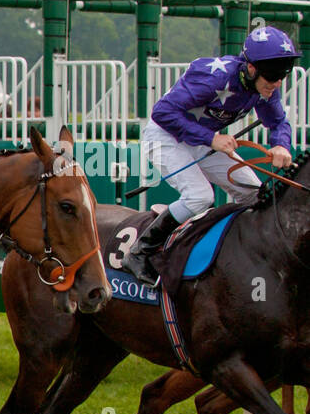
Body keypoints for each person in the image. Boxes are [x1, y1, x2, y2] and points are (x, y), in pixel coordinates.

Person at [122, 26, 298, 286]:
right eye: (273, 76)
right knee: (200, 196)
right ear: (251, 68)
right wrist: (212, 139)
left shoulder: (266, 86)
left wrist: (281, 145)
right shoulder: (214, 77)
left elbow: (278, 122)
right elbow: (162, 113)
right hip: (165, 137)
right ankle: (140, 252)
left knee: (256, 194)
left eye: (283, 75)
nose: (277, 83)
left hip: (202, 141)